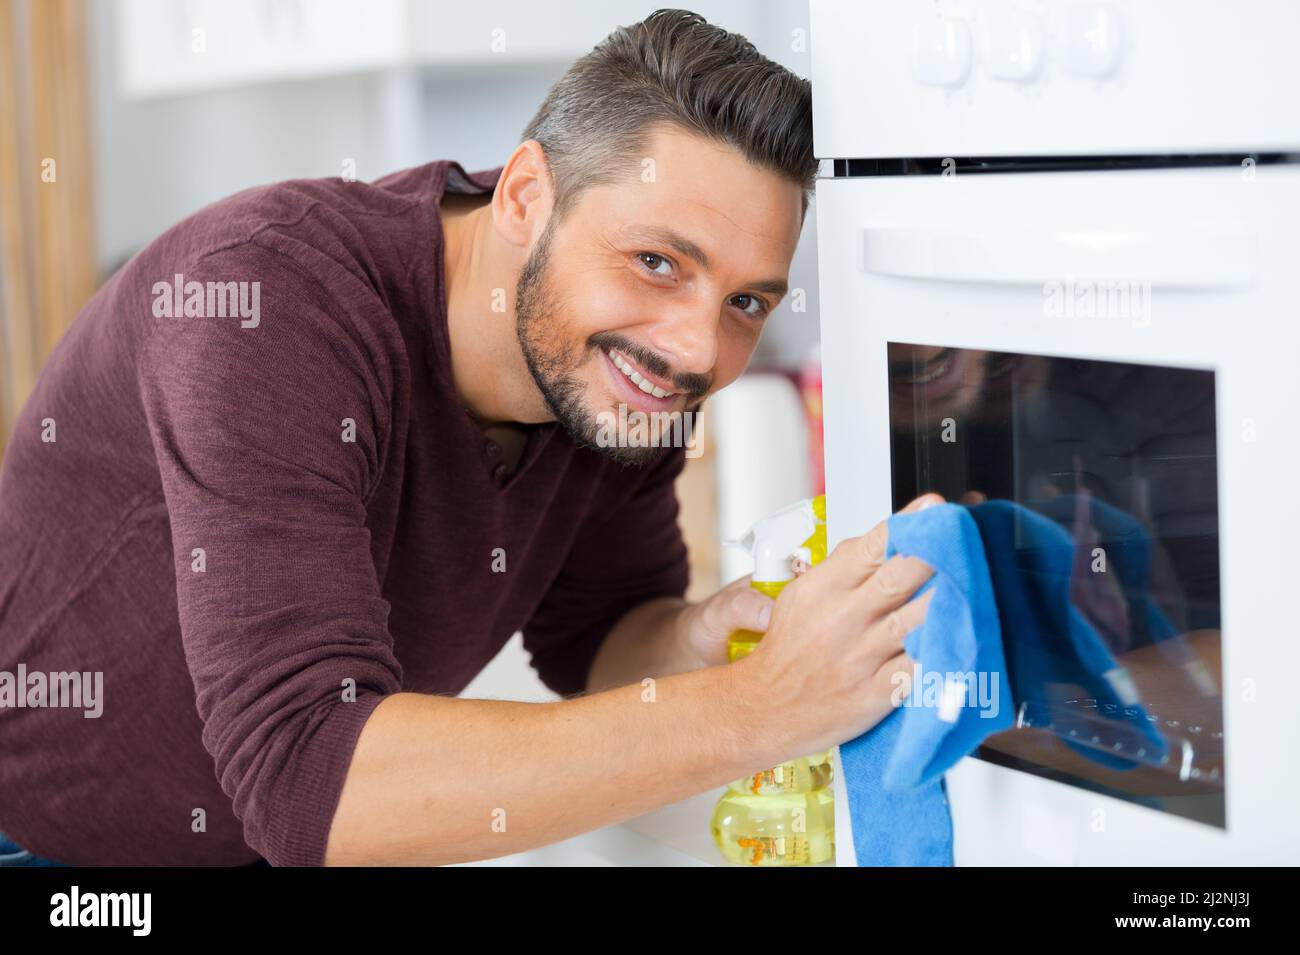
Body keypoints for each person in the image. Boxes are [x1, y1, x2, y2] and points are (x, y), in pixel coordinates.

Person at [0, 9, 936, 867]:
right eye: (656, 262)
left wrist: (702, 639)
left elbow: (597, 639)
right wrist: (761, 706)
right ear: (526, 195)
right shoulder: (264, 304)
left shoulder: (619, 375)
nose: (698, 348)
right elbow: (310, 777)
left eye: (744, 302)